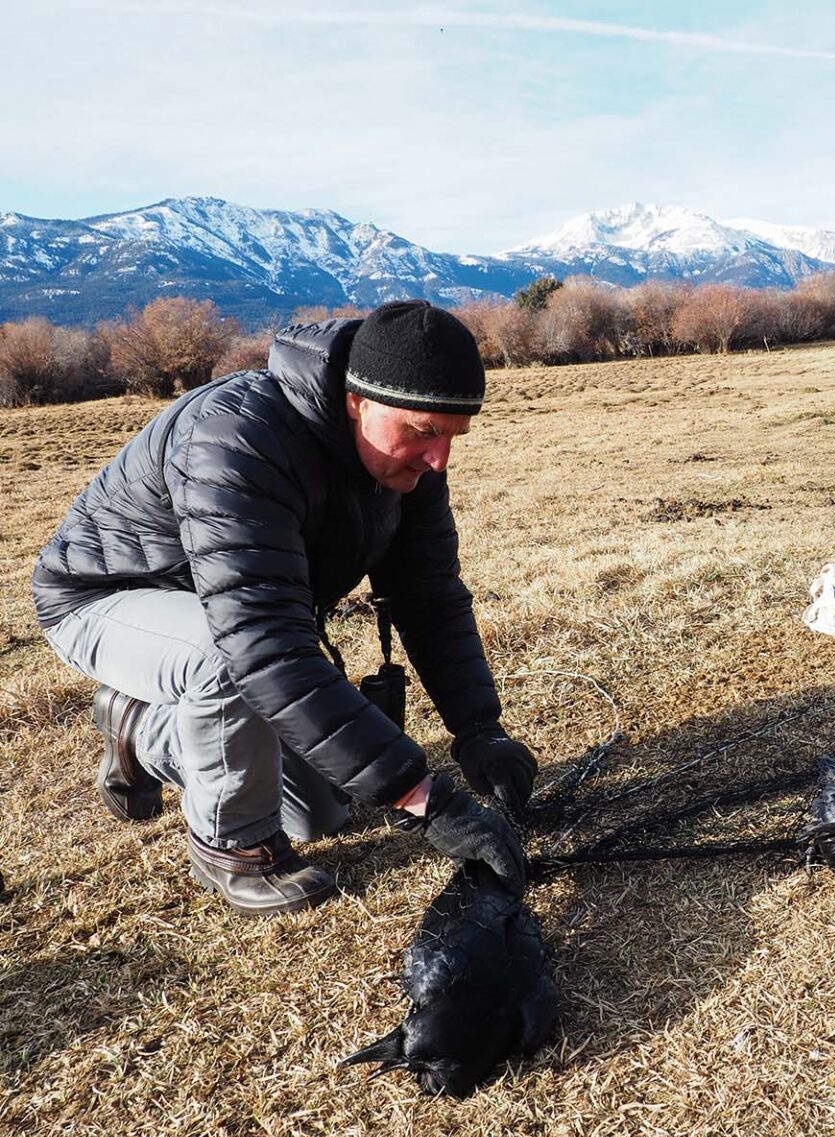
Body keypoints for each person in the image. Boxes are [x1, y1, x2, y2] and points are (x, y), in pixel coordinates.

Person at [33, 300, 537, 915]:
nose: (439, 461)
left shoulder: (408, 467)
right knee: (225, 660)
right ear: (358, 401)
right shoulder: (237, 437)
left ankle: (142, 732)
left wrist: (479, 730)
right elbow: (262, 647)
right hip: (104, 600)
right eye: (425, 431)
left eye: (453, 436)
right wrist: (424, 798)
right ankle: (233, 850)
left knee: (322, 812)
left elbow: (430, 598)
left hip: (228, 614)